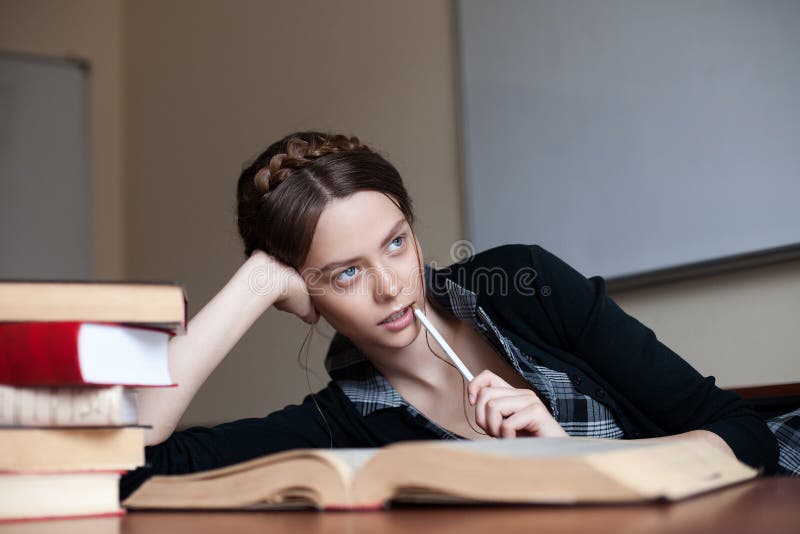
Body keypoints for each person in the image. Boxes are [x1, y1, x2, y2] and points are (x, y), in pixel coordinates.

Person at [121, 131, 796, 499]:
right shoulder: (337, 423)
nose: (391, 288)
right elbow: (126, 465)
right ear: (305, 294)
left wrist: (574, 458)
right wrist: (254, 283)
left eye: (395, 243)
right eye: (345, 273)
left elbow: (744, 434)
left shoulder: (524, 285)